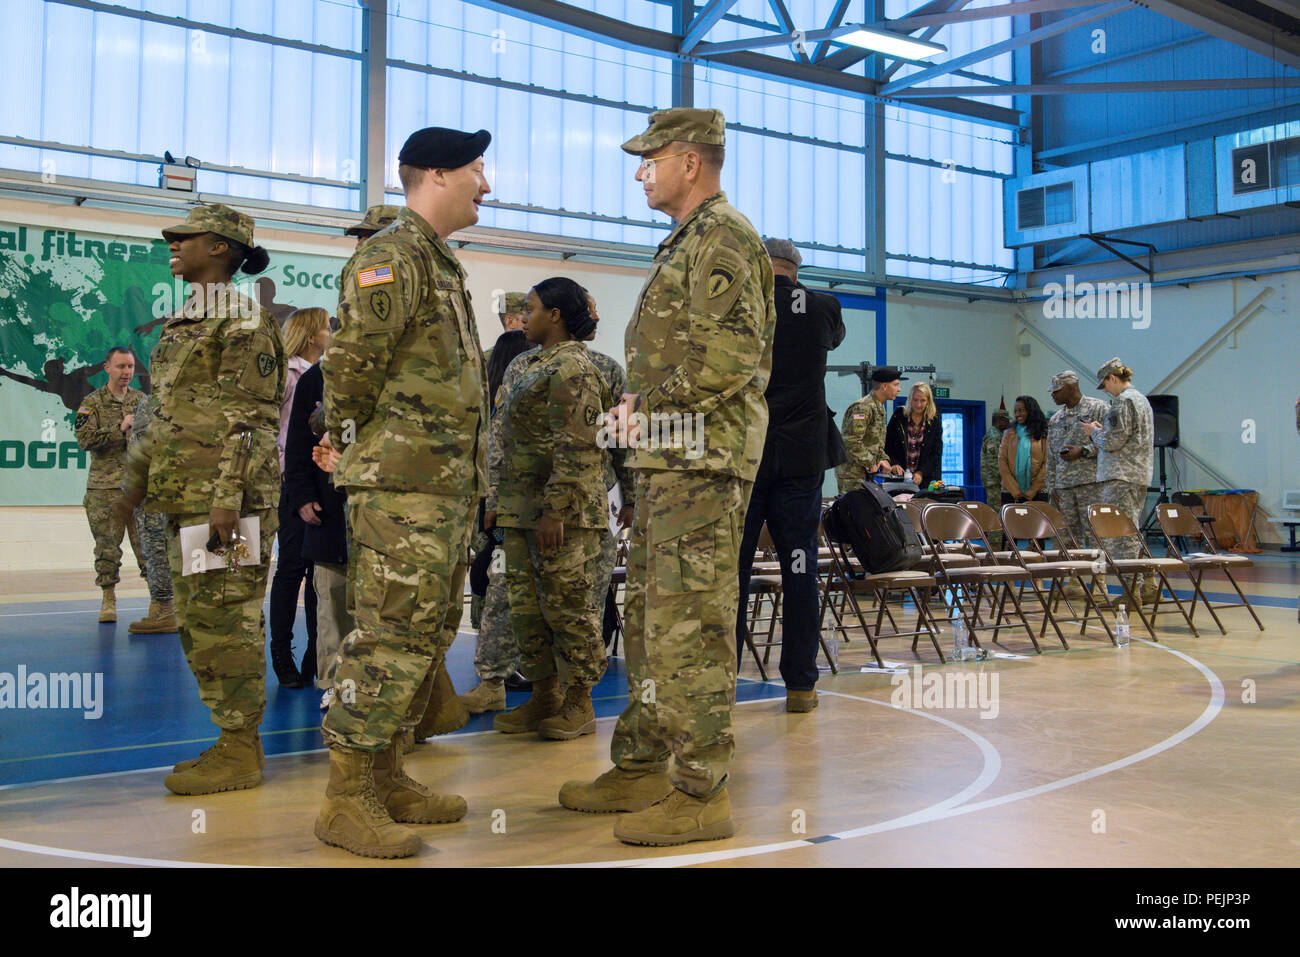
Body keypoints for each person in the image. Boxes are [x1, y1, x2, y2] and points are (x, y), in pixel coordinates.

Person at [559, 107, 776, 847]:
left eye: (650, 159)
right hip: (670, 457)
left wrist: (643, 405)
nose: (639, 172)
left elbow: (728, 359)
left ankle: (701, 788)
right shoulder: (688, 239)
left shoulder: (723, 236)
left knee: (692, 626)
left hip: (703, 462)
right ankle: (644, 762)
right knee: (654, 624)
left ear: (690, 161)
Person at [315, 125, 491, 859]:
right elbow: (350, 374)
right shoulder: (390, 258)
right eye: (479, 170)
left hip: (440, 491)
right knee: (386, 638)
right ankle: (345, 796)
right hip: (401, 490)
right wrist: (361, 454)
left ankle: (385, 773)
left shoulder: (440, 264)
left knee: (421, 637)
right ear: (439, 175)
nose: (487, 184)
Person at [115, 203, 284, 795]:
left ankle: (242, 748)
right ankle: (231, 738)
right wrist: (135, 485)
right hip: (183, 495)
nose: (172, 241)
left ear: (221, 247)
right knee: (200, 621)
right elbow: (161, 417)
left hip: (224, 503)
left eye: (185, 235)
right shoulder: (187, 320)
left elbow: (253, 416)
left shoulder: (241, 318)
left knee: (228, 618)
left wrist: (227, 500)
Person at [490, 278, 612, 739]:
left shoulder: (572, 369)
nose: (527, 317)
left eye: (535, 308)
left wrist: (556, 511)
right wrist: (500, 501)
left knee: (568, 608)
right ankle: (545, 696)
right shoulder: (533, 364)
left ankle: (579, 702)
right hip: (523, 509)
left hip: (563, 514)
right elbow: (509, 437)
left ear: (556, 316)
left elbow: (579, 447)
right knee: (527, 610)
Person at [735, 237, 844, 713]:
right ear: (797, 270)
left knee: (733, 572)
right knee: (801, 570)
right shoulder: (822, 307)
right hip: (801, 462)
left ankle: (722, 685)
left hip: (748, 455)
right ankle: (801, 685)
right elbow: (834, 337)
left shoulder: (742, 306)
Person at [461, 328, 535, 713]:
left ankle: (496, 667)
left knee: (489, 577)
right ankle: (499, 670)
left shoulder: (484, 397)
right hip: (505, 503)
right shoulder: (512, 398)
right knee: (501, 584)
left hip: (487, 501)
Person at [283, 359, 351, 711]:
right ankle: (334, 684)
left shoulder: (393, 373)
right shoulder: (315, 378)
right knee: (331, 605)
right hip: (329, 512)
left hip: (376, 515)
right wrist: (303, 497)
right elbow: (297, 445)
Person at [269, 307, 330, 687]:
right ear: (311, 335)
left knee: (317, 571)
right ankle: (281, 650)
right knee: (291, 568)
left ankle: (314, 651)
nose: (330, 333)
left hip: (317, 481)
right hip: (287, 481)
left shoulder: (328, 375)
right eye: (326, 327)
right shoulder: (286, 374)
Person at [75, 346, 147, 622]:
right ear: (107, 368)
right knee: (107, 550)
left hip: (139, 489)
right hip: (105, 491)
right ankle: (108, 599)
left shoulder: (143, 401)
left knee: (149, 550)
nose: (127, 372)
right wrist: (120, 428)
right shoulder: (91, 403)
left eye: (130, 367)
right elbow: (85, 440)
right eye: (121, 367)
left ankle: (160, 603)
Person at [1082, 357, 1155, 603]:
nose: (1106, 391)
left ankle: (1130, 592)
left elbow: (1113, 442)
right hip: (1137, 474)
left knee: (1123, 536)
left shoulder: (1122, 402)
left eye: (1104, 386)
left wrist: (1094, 434)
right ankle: (1149, 586)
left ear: (1112, 378)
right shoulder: (1142, 400)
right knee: (1133, 531)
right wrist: (1104, 430)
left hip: (1120, 475)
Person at [125, 392, 177, 634]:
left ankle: (165, 609)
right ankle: (165, 606)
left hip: (156, 487)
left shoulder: (160, 397)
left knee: (155, 544)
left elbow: (142, 443)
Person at [1046, 370, 1109, 549]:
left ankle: (1098, 576)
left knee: (1095, 533)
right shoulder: (1055, 419)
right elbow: (1050, 457)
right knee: (1064, 537)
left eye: (1057, 390)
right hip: (1063, 488)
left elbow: (1112, 443)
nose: (1053, 394)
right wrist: (1052, 487)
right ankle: (1071, 576)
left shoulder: (1098, 409)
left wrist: (1084, 451)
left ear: (1072, 387)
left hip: (1091, 484)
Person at [834, 368, 906, 494]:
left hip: (866, 473)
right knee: (854, 511)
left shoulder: (879, 407)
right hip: (852, 474)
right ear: (884, 386)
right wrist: (871, 462)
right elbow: (851, 441)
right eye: (895, 385)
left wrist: (884, 460)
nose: (898, 389)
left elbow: (875, 442)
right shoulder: (864, 407)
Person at [885, 381, 943, 489]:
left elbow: (936, 453)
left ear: (928, 402)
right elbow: (887, 445)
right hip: (898, 479)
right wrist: (894, 464)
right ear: (910, 399)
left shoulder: (934, 421)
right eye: (915, 400)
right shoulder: (899, 416)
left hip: (925, 481)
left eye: (922, 401)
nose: (918, 404)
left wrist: (921, 472)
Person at [998, 395, 1050, 505]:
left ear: (1031, 411)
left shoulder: (1043, 433)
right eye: (1015, 411)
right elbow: (1002, 461)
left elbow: (1047, 463)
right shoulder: (1009, 433)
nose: (1017, 414)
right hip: (1010, 491)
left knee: (1036, 522)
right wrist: (1015, 490)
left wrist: (1031, 491)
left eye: (1021, 410)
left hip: (1037, 491)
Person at [981, 409, 1011, 505]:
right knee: (996, 509)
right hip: (994, 481)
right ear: (999, 420)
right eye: (1006, 420)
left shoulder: (998, 434)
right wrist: (1005, 477)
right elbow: (993, 461)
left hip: (996, 481)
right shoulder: (993, 436)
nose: (1008, 423)